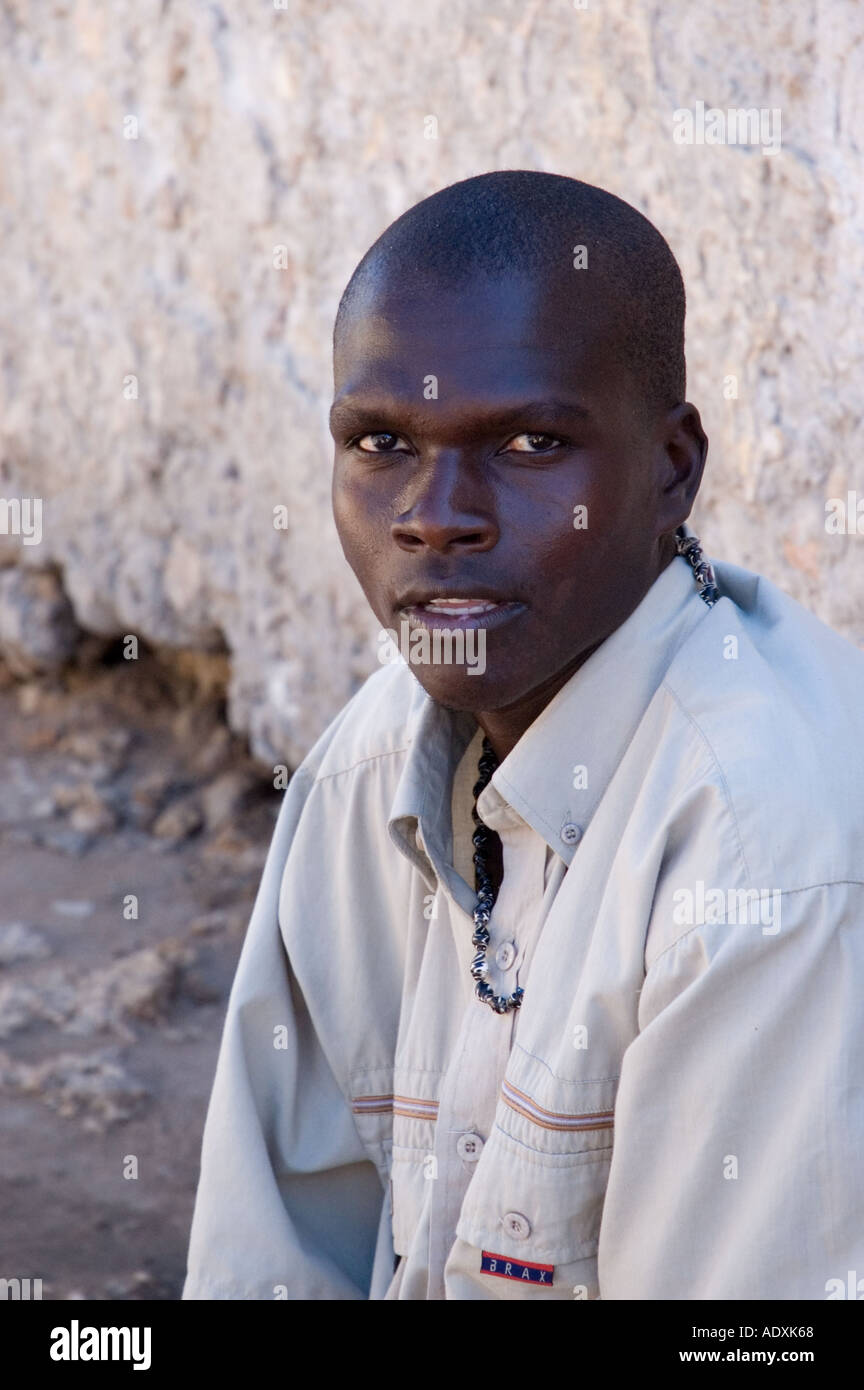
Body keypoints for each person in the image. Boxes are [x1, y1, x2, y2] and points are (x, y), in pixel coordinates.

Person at [182, 170, 864, 1300]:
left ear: (672, 470)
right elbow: (272, 1261)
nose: (435, 513)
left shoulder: (769, 850)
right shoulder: (372, 762)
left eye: (532, 444)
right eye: (383, 441)